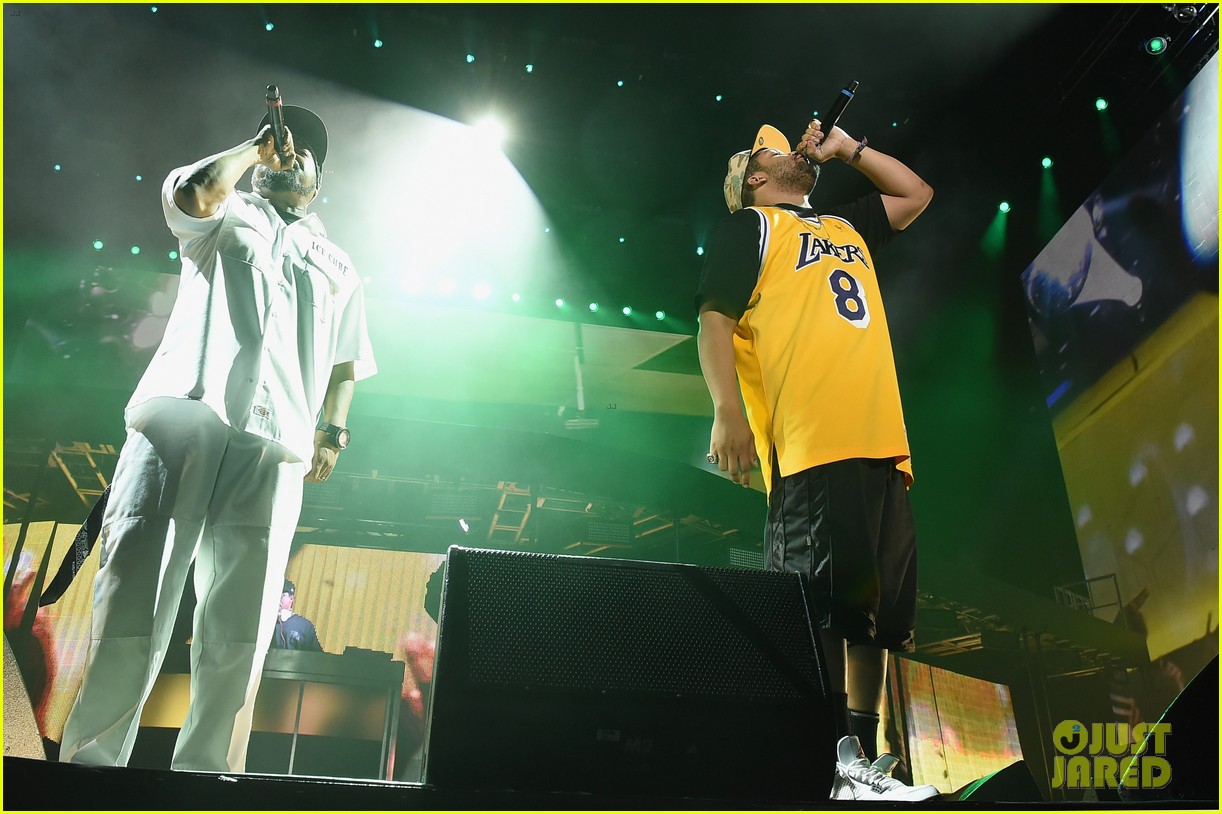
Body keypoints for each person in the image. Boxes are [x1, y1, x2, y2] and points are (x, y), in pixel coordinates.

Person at [58, 101, 376, 774]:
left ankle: (206, 777)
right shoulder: (225, 211)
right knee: (133, 598)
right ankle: (89, 773)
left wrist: (333, 431)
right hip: (181, 416)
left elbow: (349, 362)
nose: (293, 157)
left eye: (305, 153)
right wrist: (255, 148)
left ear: (321, 182)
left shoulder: (339, 264)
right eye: (285, 147)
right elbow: (193, 191)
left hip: (275, 442)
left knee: (240, 627)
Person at [695, 118, 937, 801]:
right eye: (777, 150)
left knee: (877, 615)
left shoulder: (843, 225)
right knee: (823, 607)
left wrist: (848, 150)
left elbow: (916, 193)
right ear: (755, 179)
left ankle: (866, 759)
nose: (795, 151)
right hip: (813, 439)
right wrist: (727, 411)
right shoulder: (753, 228)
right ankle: (829, 759)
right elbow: (714, 321)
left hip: (883, 440)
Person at [270, 580, 323, 651]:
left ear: (291, 599)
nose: (277, 599)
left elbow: (315, 656)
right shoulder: (265, 621)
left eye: (282, 596)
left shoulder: (304, 626)